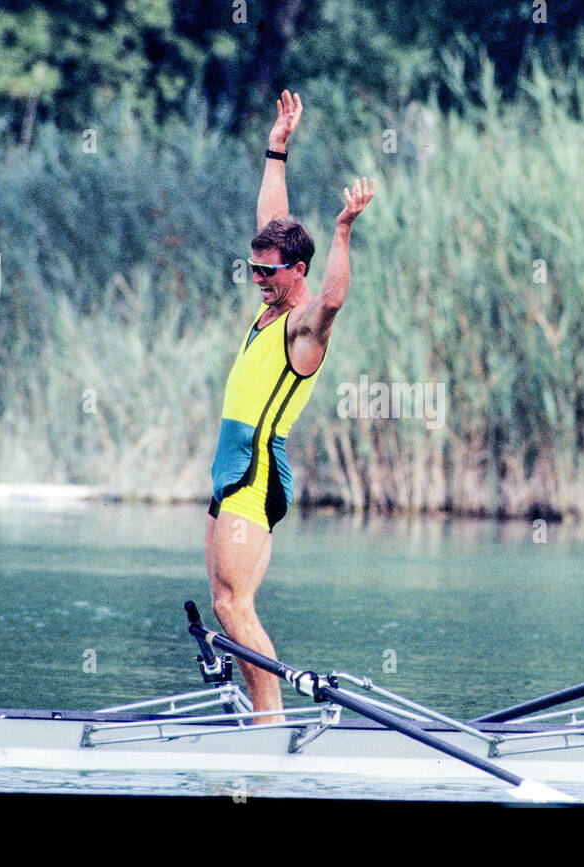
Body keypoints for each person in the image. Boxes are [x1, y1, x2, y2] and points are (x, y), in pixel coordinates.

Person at [205, 90, 374, 721]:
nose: (256, 277)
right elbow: (271, 219)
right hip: (230, 471)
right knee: (223, 600)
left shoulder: (304, 326)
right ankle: (258, 714)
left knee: (236, 606)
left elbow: (332, 300)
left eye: (266, 272)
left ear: (295, 271)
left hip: (254, 476)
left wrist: (342, 230)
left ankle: (271, 719)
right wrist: (278, 145)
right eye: (252, 269)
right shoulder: (270, 299)